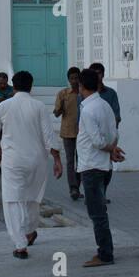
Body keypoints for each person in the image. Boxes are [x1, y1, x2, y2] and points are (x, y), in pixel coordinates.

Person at [0, 70, 62, 259]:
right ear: (31, 87)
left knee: (12, 199)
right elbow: (49, 135)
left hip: (13, 161)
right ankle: (29, 231)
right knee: (32, 198)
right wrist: (57, 159)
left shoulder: (4, 106)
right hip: (37, 161)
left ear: (14, 86)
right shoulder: (38, 106)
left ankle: (20, 244)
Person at [76, 68, 122, 267]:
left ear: (82, 86)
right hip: (103, 165)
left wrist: (110, 148)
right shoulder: (104, 105)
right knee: (99, 210)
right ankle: (105, 250)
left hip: (91, 165)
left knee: (97, 213)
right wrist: (112, 149)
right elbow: (114, 134)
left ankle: (105, 253)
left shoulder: (88, 109)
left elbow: (96, 141)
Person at [88, 62, 119, 199]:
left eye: (99, 73)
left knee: (107, 166)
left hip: (107, 136)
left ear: (103, 74)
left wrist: (114, 137)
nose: (97, 76)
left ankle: (102, 193)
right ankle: (93, 195)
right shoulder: (84, 95)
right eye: (93, 74)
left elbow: (116, 116)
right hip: (90, 137)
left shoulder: (110, 94)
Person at [54, 66, 83, 201]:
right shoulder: (63, 94)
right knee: (71, 161)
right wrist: (60, 106)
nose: (74, 81)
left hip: (83, 132)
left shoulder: (84, 93)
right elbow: (56, 114)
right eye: (72, 79)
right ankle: (73, 188)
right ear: (68, 80)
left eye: (76, 78)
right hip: (68, 132)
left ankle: (78, 185)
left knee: (81, 161)